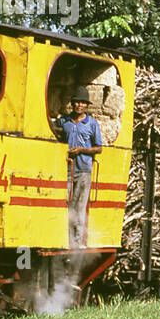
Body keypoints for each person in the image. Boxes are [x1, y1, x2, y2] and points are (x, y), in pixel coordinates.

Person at [55, 88, 102, 246]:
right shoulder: (65, 121)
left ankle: (77, 242)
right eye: (76, 102)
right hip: (67, 169)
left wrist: (82, 150)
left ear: (87, 105)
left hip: (83, 170)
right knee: (66, 205)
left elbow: (99, 148)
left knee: (80, 207)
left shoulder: (92, 124)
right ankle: (65, 239)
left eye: (82, 102)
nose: (79, 105)